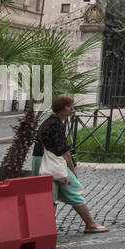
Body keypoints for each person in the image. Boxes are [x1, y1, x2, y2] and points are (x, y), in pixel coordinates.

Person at [30, 94, 108, 234]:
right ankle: (90, 224)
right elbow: (63, 151)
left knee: (48, 195)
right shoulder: (55, 124)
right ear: (60, 108)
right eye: (68, 106)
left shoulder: (49, 121)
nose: (71, 109)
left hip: (41, 164)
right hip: (54, 167)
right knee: (72, 189)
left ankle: (44, 229)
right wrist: (72, 170)